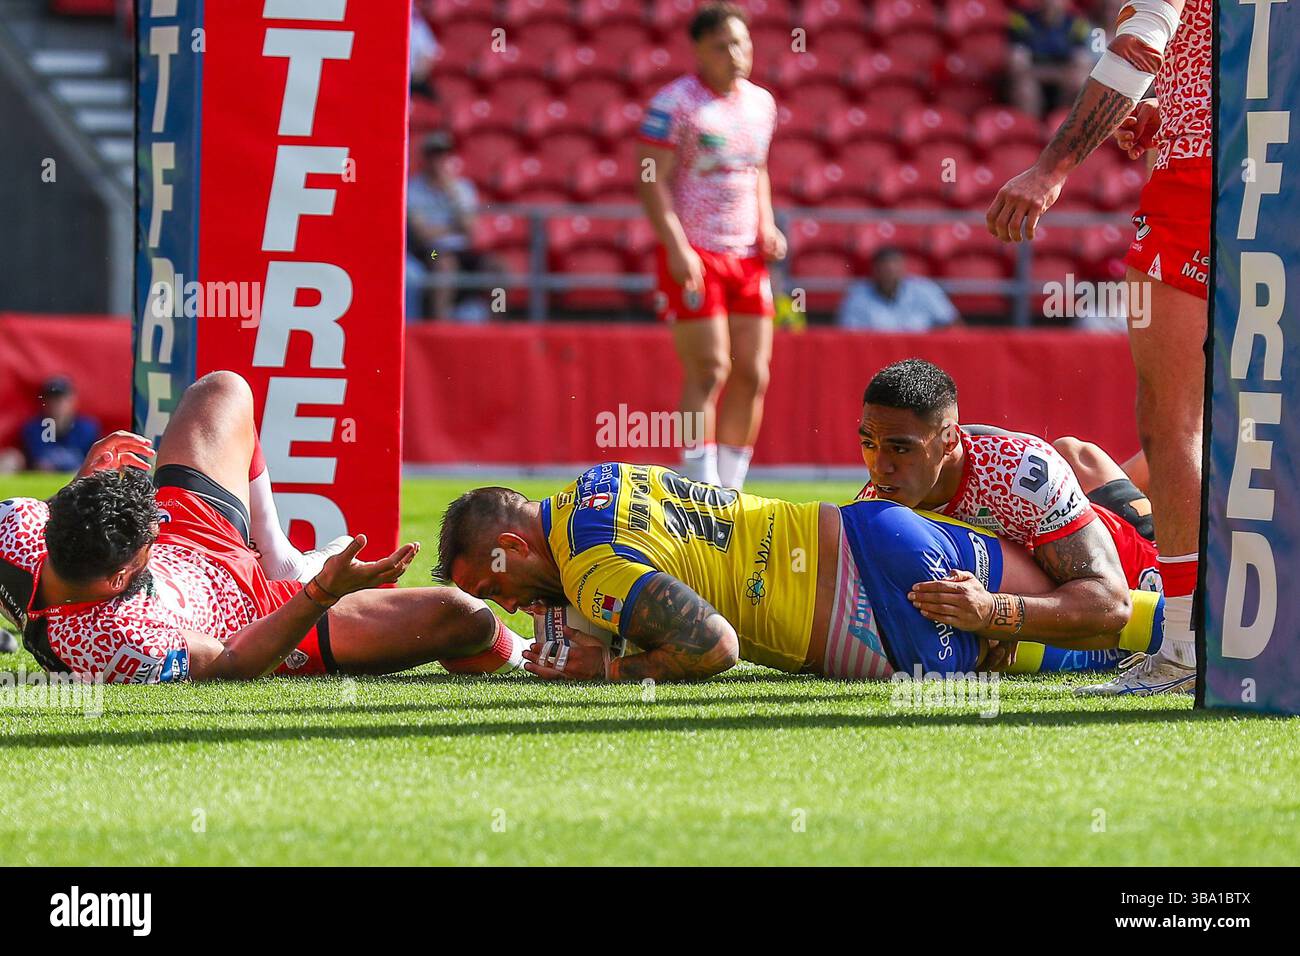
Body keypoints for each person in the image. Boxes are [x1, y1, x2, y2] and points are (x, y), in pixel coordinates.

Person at [0, 371, 529, 684]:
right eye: (146, 544)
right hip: (252, 615)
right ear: (118, 580)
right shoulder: (115, 643)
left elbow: (53, 532)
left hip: (197, 540)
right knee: (459, 615)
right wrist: (321, 593)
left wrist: (84, 489)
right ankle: (530, 652)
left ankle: (280, 553)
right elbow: (231, 661)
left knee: (222, 389)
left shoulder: (19, 528)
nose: (153, 525)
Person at [433, 461, 1153, 684]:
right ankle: (1174, 586)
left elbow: (714, 646)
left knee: (1104, 644)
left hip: (863, 618)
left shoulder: (592, 571)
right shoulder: (601, 479)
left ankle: (1180, 630)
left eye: (493, 587)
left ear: (512, 544)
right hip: (864, 528)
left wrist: (608, 671)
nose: (510, 606)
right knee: (1102, 600)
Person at [988, 0, 1209, 694]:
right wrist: (1166, 113)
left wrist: (1051, 168)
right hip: (1275, 182)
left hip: (1197, 191)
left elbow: (1137, 49)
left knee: (1175, 424)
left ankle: (1185, 646)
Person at [855, 360, 1168, 679]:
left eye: (900, 449)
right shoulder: (873, 506)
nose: (880, 466)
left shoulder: (1018, 473)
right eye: (869, 444)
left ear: (949, 441)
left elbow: (1112, 606)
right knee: (1075, 454)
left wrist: (995, 612)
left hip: (1135, 564)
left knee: (1079, 455)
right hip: (1070, 535)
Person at [636, 2, 785, 490]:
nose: (735, 54)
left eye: (741, 43)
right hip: (696, 250)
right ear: (698, 50)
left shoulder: (762, 103)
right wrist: (675, 245)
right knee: (709, 368)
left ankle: (730, 488)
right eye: (721, 46)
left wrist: (768, 224)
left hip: (747, 255)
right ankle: (695, 483)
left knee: (754, 373)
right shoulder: (674, 104)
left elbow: (757, 170)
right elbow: (650, 177)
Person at [406, 131, 485, 322]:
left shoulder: (462, 188)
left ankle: (500, 317)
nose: (438, 160)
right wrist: (454, 227)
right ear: (425, 158)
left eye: (443, 155)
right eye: (434, 154)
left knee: (498, 268)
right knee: (444, 264)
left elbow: (469, 228)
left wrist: (451, 192)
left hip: (462, 251)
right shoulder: (413, 189)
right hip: (430, 252)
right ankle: (441, 323)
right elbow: (422, 234)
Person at [836, 248, 960, 332]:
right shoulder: (857, 296)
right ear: (874, 270)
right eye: (884, 268)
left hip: (921, 360)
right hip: (874, 359)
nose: (889, 273)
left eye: (894, 268)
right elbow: (848, 334)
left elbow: (952, 324)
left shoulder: (925, 290)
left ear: (903, 268)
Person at [1007, 0, 1095, 118]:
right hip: (1035, 82)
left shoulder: (1077, 24)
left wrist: (1045, 73)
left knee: (1079, 81)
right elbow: (1018, 67)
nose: (1051, 2)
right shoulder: (1021, 21)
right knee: (1024, 88)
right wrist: (1059, 73)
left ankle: (1065, 128)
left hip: (1061, 84)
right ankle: (1030, 130)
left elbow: (1082, 64)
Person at [20, 377, 101, 472]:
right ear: (44, 402)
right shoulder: (33, 429)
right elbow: (39, 463)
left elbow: (93, 462)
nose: (56, 404)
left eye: (61, 399)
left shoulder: (87, 428)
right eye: (52, 399)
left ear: (72, 401)